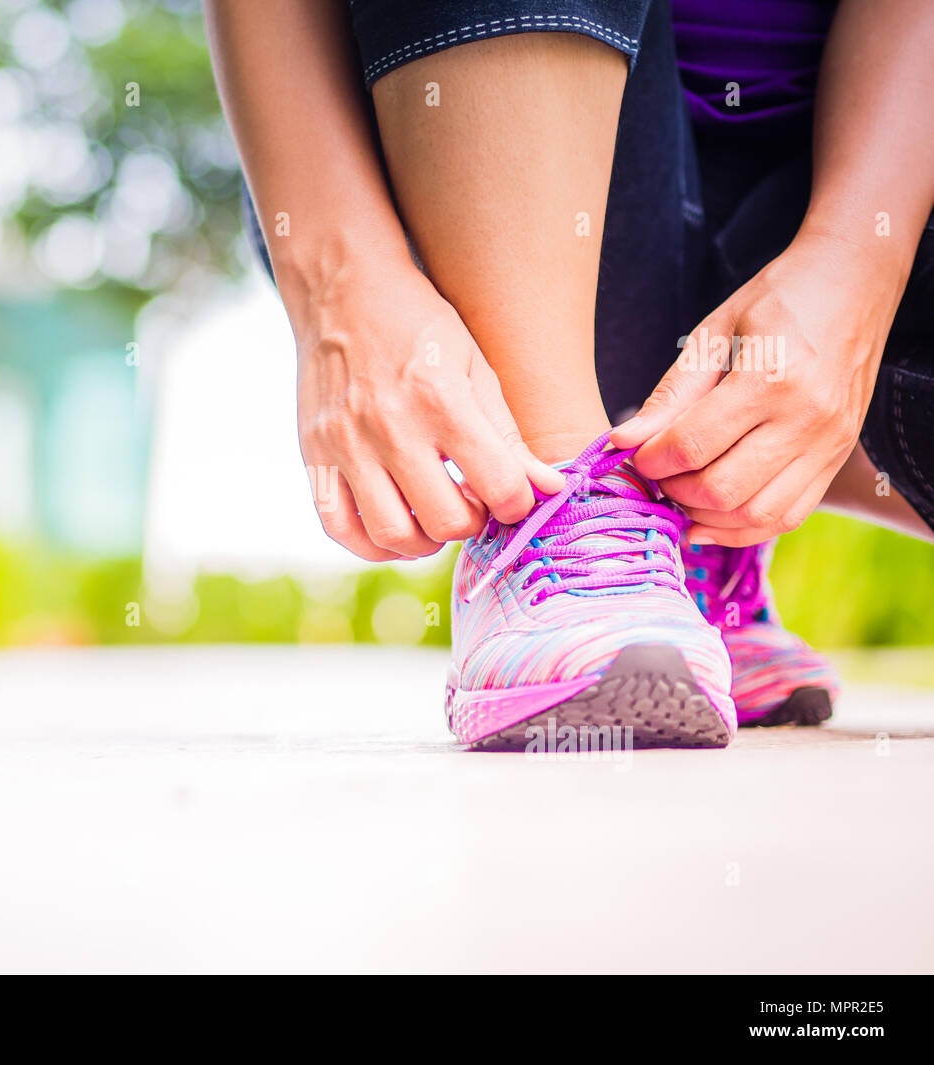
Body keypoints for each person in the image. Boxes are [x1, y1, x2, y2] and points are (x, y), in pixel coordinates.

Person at [204, 0, 934, 749]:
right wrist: (339, 280)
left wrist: (861, 264)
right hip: (475, 163)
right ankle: (562, 510)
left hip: (864, 176)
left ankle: (692, 546)